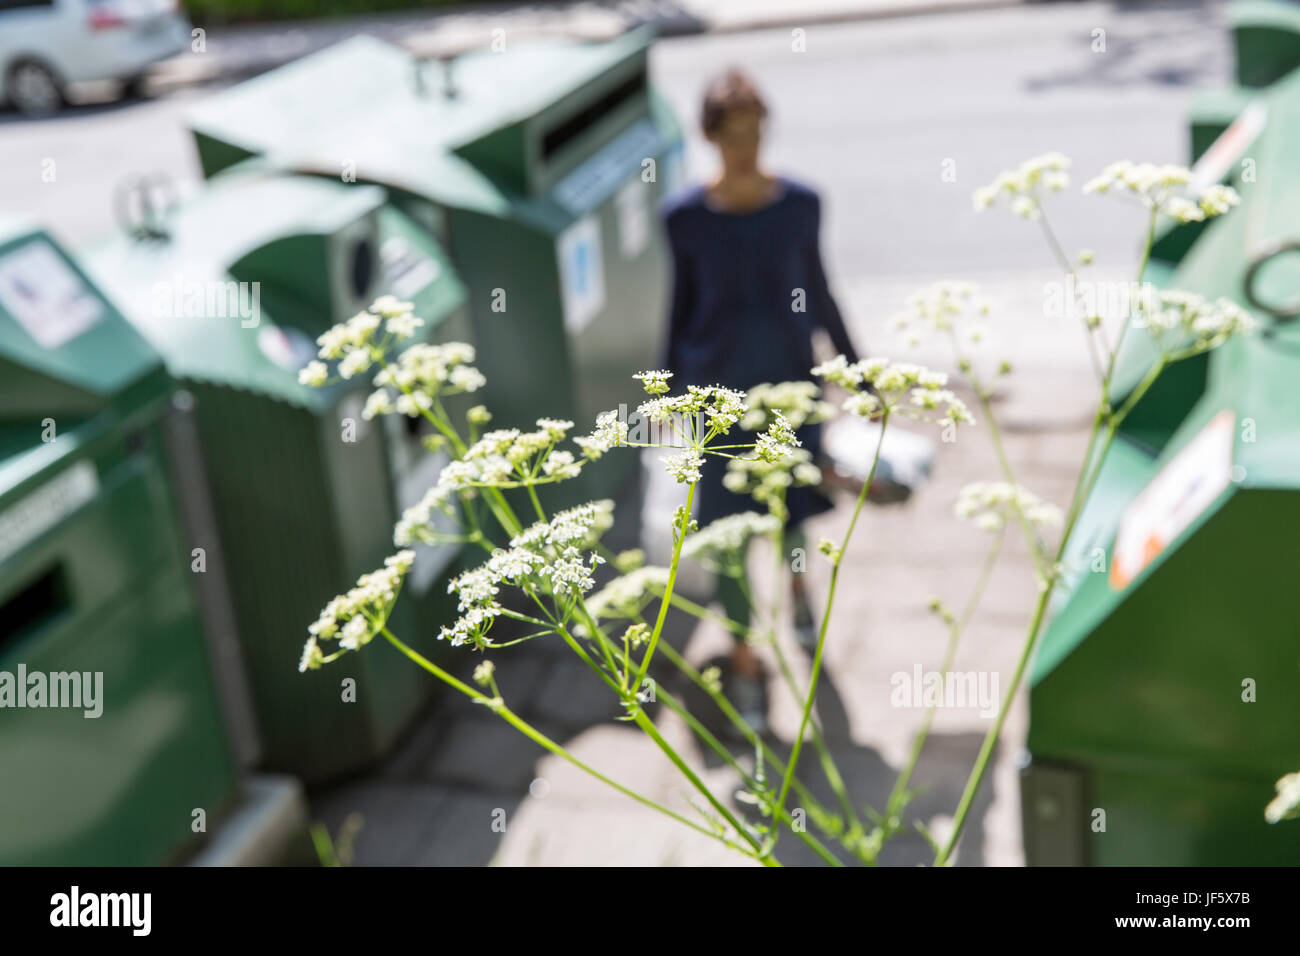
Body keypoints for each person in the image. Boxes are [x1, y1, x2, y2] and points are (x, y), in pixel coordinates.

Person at [660, 67, 861, 735]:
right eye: (732, 136)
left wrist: (857, 372)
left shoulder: (800, 205)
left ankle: (800, 592)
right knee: (724, 530)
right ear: (710, 137)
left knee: (792, 512)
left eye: (755, 133)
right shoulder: (685, 218)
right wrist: (664, 391)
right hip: (715, 393)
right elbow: (680, 307)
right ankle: (745, 659)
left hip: (787, 377)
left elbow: (822, 290)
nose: (745, 148)